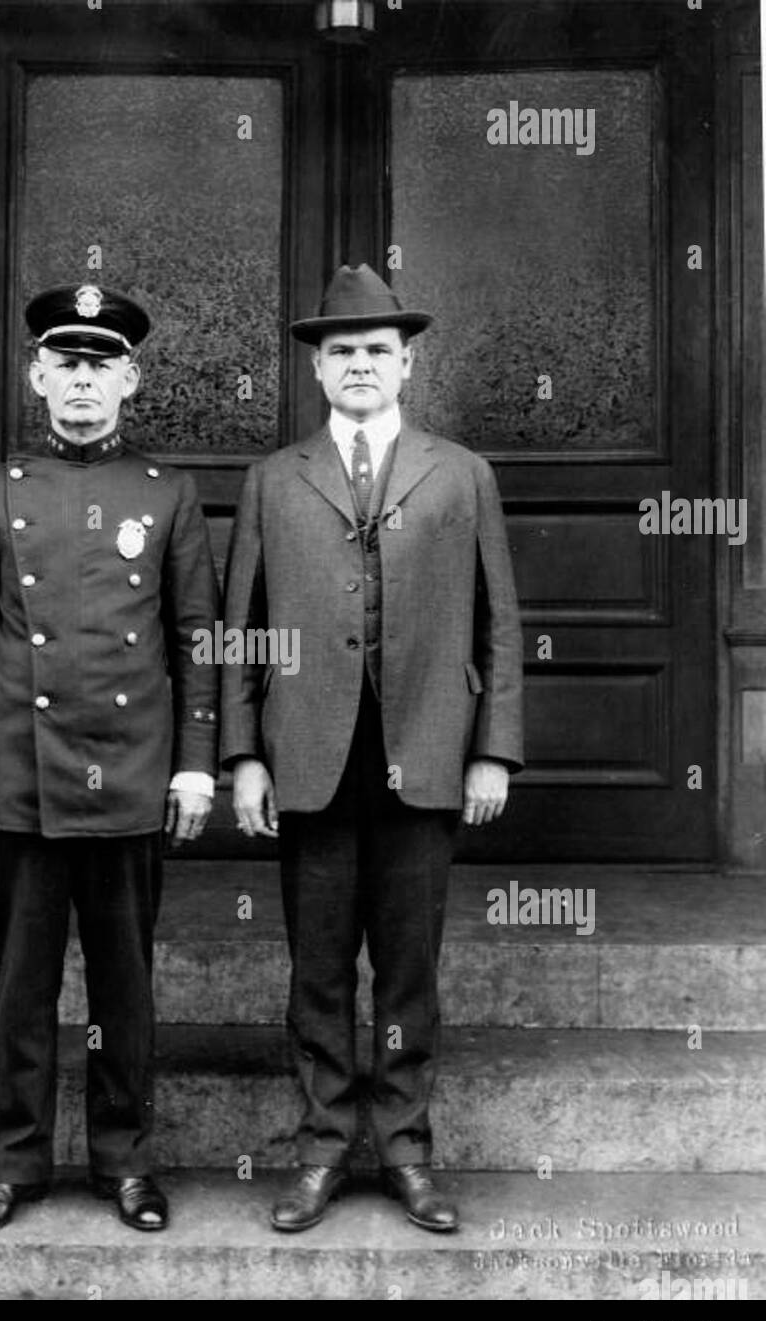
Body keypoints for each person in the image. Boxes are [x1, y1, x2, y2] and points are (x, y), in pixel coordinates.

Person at [221, 264, 523, 1233]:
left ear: (407, 364)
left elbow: (499, 627)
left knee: (406, 968)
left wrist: (491, 752)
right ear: (316, 368)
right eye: (341, 351)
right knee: (315, 968)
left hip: (426, 752)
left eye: (376, 352)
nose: (358, 366)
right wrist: (242, 756)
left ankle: (404, 1151)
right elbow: (243, 629)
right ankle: (318, 1148)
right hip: (308, 753)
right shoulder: (274, 479)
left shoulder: (460, 472)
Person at [0, 283, 220, 1234]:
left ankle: (125, 1160)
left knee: (124, 985)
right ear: (37, 377)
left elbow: (196, 639)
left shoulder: (168, 494)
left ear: (130, 380)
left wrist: (196, 763)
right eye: (66, 367)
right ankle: (14, 1164)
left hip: (134, 774)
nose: (83, 386)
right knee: (20, 985)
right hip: (22, 776)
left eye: (101, 369)